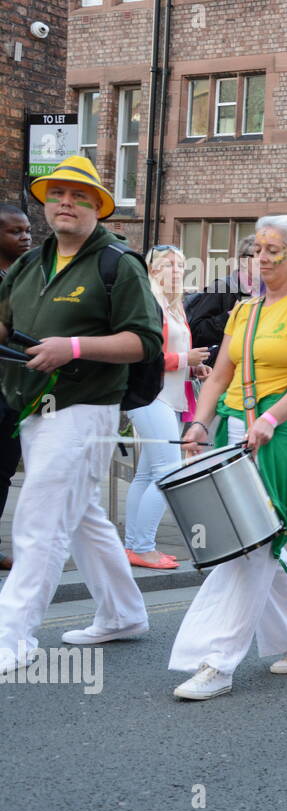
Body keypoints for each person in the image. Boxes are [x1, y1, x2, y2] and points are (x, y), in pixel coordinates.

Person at [0, 156, 162, 673]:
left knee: (40, 520)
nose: (65, 203)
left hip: (86, 409)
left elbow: (143, 341)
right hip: (33, 406)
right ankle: (123, 613)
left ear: (97, 206)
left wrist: (72, 347)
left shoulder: (118, 263)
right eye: (56, 196)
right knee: (83, 515)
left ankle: (13, 636)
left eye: (79, 196)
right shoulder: (29, 264)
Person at [169, 214, 287, 699]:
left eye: (273, 249)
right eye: (257, 249)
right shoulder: (244, 311)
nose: (262, 258)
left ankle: (216, 662)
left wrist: (271, 419)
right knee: (262, 545)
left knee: (248, 546)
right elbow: (218, 377)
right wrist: (200, 423)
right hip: (236, 435)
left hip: (282, 438)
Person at [122, 245, 211, 570]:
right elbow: (142, 356)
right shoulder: (150, 304)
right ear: (152, 269)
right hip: (149, 397)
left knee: (147, 474)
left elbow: (170, 356)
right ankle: (142, 547)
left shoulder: (175, 306)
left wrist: (193, 368)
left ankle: (134, 546)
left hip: (167, 397)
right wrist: (184, 360)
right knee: (169, 472)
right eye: (167, 264)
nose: (175, 269)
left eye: (180, 264)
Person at [0, 204, 33, 571]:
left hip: (14, 392)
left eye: (26, 230)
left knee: (4, 472)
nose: (25, 237)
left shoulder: (26, 277)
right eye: (15, 231)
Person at [186, 233, 256, 361]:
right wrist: (230, 316)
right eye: (258, 256)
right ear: (244, 260)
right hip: (220, 369)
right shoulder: (221, 287)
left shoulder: (269, 292)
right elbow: (196, 333)